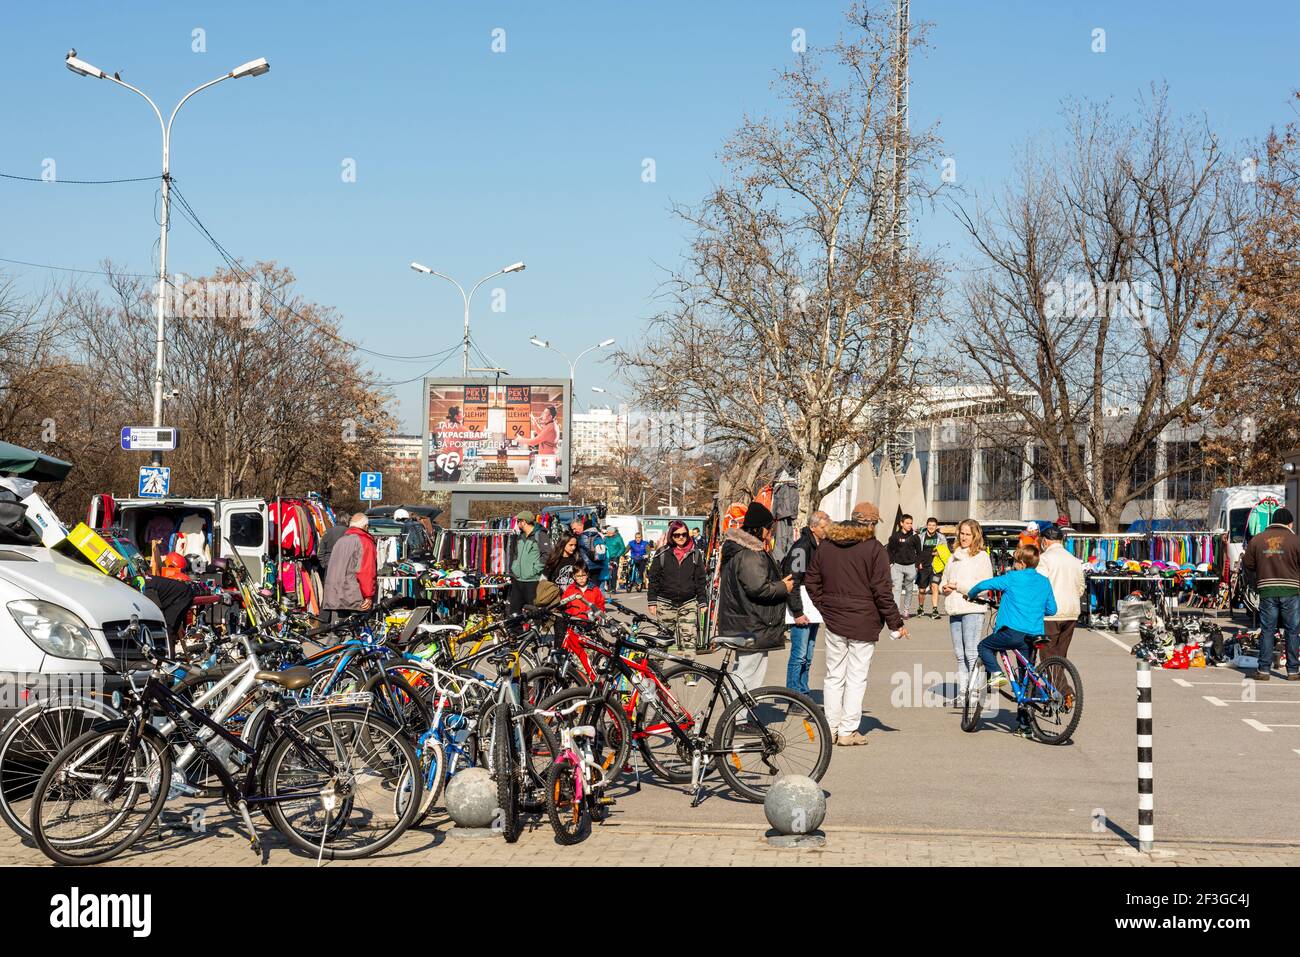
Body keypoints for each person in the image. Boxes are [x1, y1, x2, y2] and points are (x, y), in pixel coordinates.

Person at [805, 501, 905, 746]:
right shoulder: (874, 549)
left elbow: (811, 581)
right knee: (856, 677)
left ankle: (830, 727)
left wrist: (825, 607)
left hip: (835, 620)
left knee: (833, 676)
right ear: (870, 523)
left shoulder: (827, 545)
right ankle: (847, 730)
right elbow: (883, 591)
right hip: (863, 620)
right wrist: (896, 623)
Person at [716, 502, 793, 703]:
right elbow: (758, 588)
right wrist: (784, 586)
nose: (771, 532)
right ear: (760, 528)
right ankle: (737, 717)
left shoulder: (741, 549)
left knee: (747, 670)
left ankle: (739, 715)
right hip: (751, 622)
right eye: (769, 528)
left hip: (745, 620)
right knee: (748, 672)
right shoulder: (750, 553)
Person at [967, 544, 1056, 713]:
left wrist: (971, 595)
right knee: (1025, 679)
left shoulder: (1012, 577)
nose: (1013, 563)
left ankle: (997, 674)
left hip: (1013, 632)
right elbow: (1052, 609)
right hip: (1035, 634)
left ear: (1021, 563)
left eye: (1015, 561)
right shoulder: (1044, 581)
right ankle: (1025, 726)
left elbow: (983, 585)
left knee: (984, 646)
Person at [1242, 506, 1300, 680]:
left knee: (1267, 630)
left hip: (1267, 590)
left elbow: (1248, 564)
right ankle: (1293, 671)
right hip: (1291, 590)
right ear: (1290, 523)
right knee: (1292, 631)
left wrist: (1256, 582)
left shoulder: (1258, 540)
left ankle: (1264, 670)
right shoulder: (1295, 541)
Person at [940, 519, 995, 697]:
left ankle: (974, 692)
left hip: (973, 608)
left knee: (971, 652)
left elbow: (985, 585)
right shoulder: (953, 556)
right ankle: (963, 691)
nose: (963, 537)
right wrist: (944, 588)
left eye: (967, 534)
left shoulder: (981, 557)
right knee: (959, 653)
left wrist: (958, 586)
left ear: (975, 536)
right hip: (955, 608)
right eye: (961, 533)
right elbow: (944, 579)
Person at [782, 510, 830, 695]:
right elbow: (792, 580)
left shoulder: (821, 545)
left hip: (814, 607)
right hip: (802, 607)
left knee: (808, 655)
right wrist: (797, 611)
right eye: (824, 527)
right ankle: (794, 695)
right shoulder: (802, 548)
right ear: (813, 527)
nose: (827, 531)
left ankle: (803, 690)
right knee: (799, 654)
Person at [648, 519, 708, 659]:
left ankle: (688, 672)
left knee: (689, 641)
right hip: (665, 603)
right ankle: (656, 674)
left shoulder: (695, 554)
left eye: (684, 534)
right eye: (676, 535)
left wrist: (702, 601)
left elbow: (700, 579)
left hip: (688, 603)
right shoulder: (662, 553)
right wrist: (652, 601)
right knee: (662, 641)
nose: (681, 537)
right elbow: (653, 579)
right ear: (671, 536)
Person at [1036, 523, 1086, 660]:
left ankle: (1059, 682)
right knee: (1061, 654)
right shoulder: (1075, 560)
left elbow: (1040, 585)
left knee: (1048, 653)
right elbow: (1081, 587)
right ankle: (1057, 680)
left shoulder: (1044, 559)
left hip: (1051, 613)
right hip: (1072, 612)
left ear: (1045, 541)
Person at [322, 513, 377, 620]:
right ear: (365, 526)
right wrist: (368, 596)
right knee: (357, 632)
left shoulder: (341, 541)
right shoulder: (364, 541)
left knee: (337, 631)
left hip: (335, 594)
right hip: (353, 596)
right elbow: (366, 571)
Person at [508, 511, 550, 613]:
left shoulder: (540, 535)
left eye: (518, 521)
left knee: (534, 612)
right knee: (514, 612)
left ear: (524, 522)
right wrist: (514, 567)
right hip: (518, 579)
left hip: (532, 581)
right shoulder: (520, 536)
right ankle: (515, 629)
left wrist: (535, 569)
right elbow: (516, 554)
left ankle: (534, 629)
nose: (517, 524)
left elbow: (547, 554)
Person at [887, 513, 922, 618]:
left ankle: (906, 610)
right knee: (896, 588)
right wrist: (890, 563)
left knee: (909, 589)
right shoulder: (895, 536)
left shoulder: (915, 537)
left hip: (910, 566)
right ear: (901, 523)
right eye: (907, 523)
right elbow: (890, 549)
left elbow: (919, 552)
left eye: (911, 523)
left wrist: (916, 565)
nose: (909, 525)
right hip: (897, 566)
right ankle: (896, 611)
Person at [916, 517, 947, 619]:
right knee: (922, 590)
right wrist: (918, 562)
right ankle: (920, 608)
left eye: (933, 525)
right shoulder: (920, 537)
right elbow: (917, 551)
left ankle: (935, 610)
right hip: (923, 567)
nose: (931, 527)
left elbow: (943, 552)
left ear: (936, 526)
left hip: (935, 567)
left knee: (934, 587)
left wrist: (934, 553)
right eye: (929, 525)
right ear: (927, 525)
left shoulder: (941, 538)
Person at [601, 527, 626, 594]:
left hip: (615, 557)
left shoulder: (618, 538)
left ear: (613, 533)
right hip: (607, 557)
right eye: (607, 532)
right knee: (607, 572)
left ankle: (613, 588)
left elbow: (623, 548)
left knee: (614, 572)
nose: (607, 533)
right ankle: (608, 587)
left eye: (609, 532)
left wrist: (617, 555)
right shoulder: (605, 538)